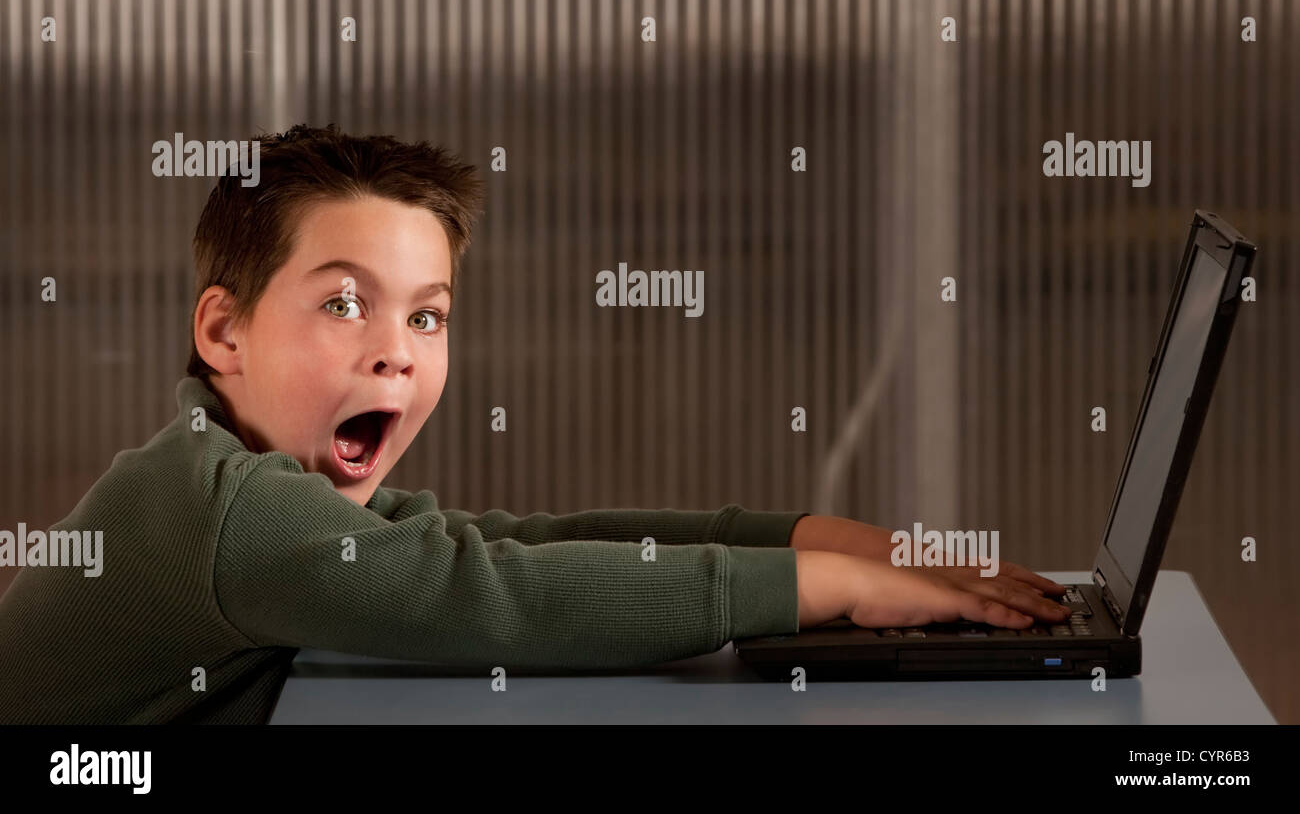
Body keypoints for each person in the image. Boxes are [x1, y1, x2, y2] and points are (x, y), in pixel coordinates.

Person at [0, 124, 1069, 723]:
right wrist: (831, 588)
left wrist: (798, 537)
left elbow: (507, 546)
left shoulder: (241, 478)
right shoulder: (225, 512)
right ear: (223, 331)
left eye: (427, 314)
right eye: (342, 303)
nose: (396, 350)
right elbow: (482, 593)